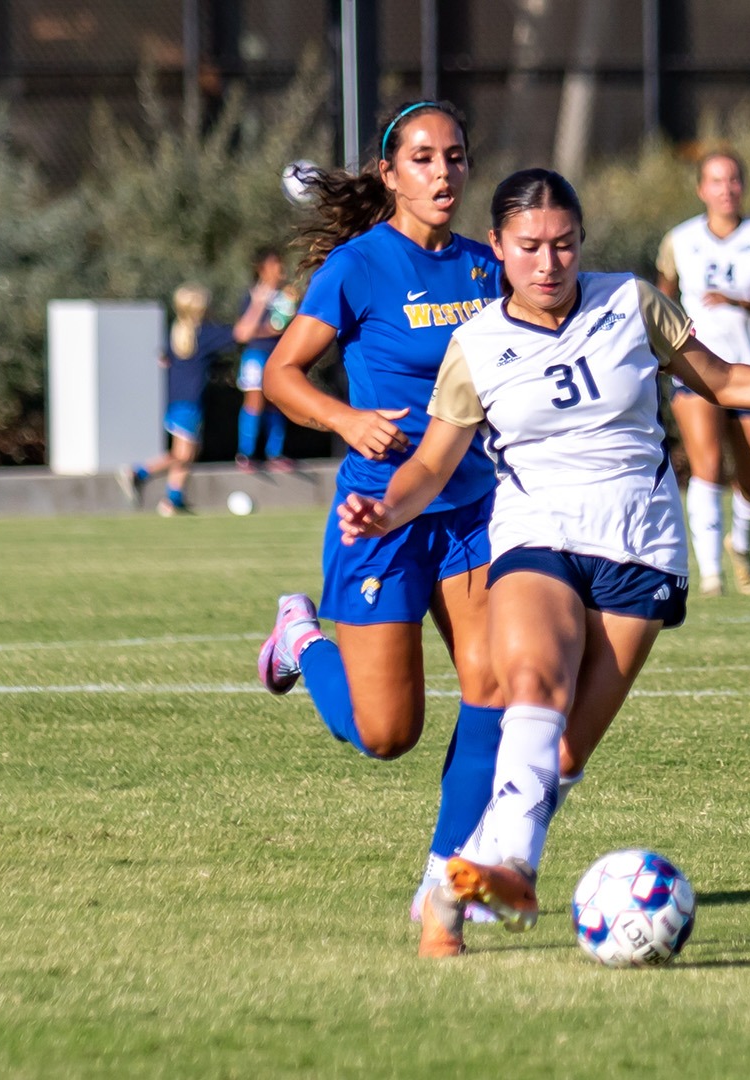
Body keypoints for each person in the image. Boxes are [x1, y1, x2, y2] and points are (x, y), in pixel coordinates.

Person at [337, 168, 750, 957]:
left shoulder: (631, 303)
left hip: (639, 543)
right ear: (497, 247)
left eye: (564, 245)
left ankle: (451, 890)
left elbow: (726, 379)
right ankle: (508, 873)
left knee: (560, 756)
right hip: (536, 535)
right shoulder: (477, 344)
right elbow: (432, 464)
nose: (548, 263)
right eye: (529, 247)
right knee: (532, 686)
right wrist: (385, 509)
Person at [253, 101, 509, 922]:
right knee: (385, 734)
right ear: (391, 175)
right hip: (382, 512)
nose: (444, 174)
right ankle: (301, 640)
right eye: (425, 159)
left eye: (456, 158)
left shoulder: (486, 266)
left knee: (497, 692)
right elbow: (281, 374)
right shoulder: (359, 268)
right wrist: (345, 419)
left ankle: (445, 880)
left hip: (472, 508)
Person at [656, 151, 750, 596]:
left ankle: (741, 546)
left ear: (743, 185)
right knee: (707, 466)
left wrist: (738, 301)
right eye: (716, 181)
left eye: (733, 179)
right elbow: (660, 301)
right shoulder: (678, 239)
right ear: (701, 189)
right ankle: (711, 573)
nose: (726, 188)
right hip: (696, 371)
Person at [122, 283, 236, 516]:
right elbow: (239, 334)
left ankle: (172, 500)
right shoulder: (202, 334)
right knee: (183, 454)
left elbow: (163, 359)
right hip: (189, 403)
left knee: (188, 452)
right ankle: (139, 472)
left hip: (176, 401)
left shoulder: (174, 333)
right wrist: (257, 303)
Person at [232, 248, 299, 473]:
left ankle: (274, 453)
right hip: (255, 356)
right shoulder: (250, 296)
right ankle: (246, 453)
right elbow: (241, 332)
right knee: (254, 401)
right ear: (261, 269)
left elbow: (276, 326)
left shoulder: (286, 296)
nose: (280, 269)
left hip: (277, 355)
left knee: (276, 402)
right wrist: (258, 303)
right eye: (274, 265)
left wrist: (252, 330)